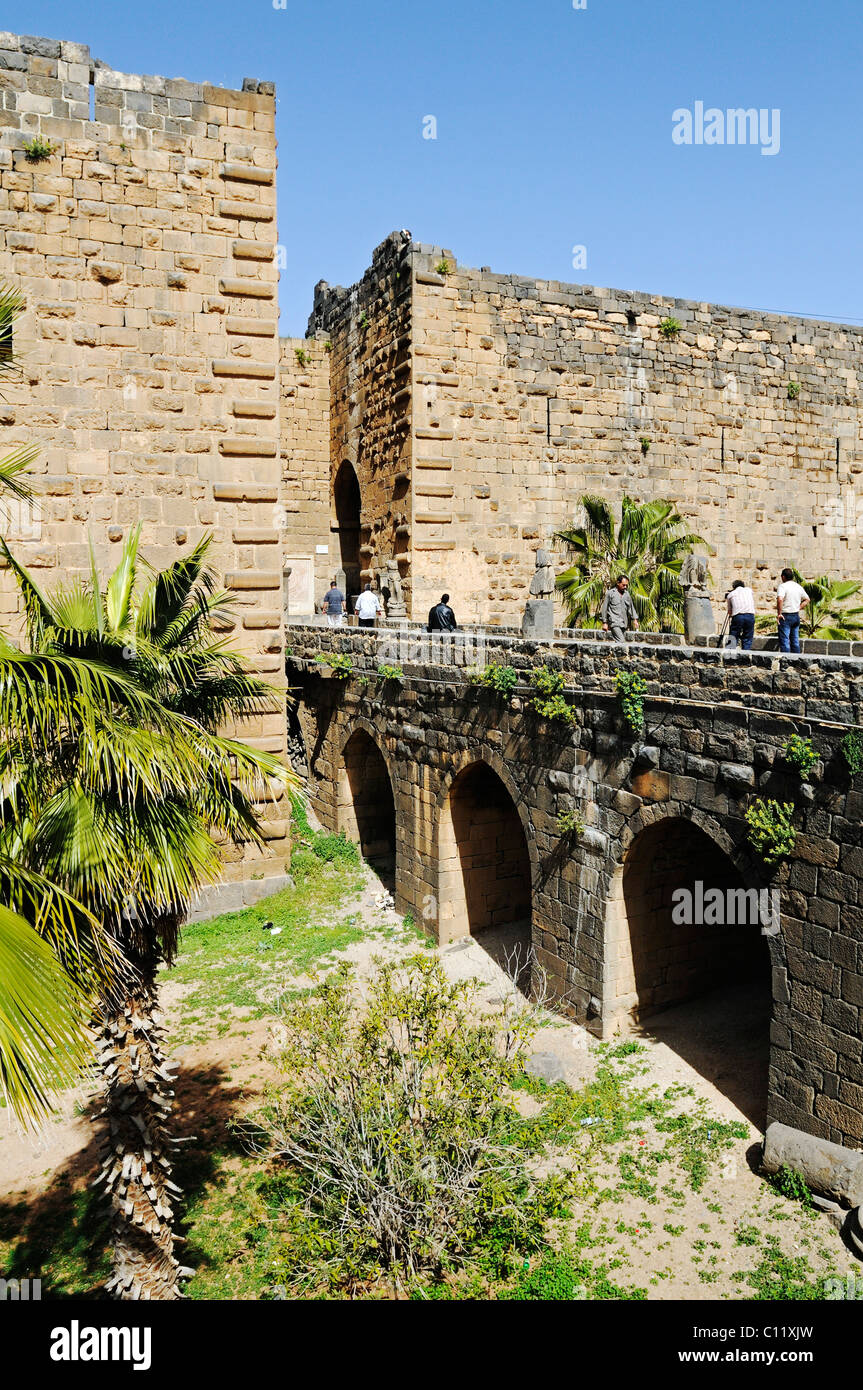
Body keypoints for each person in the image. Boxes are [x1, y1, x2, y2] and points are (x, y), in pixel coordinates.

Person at [776, 568, 809, 654]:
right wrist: (798, 608)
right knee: (795, 641)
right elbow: (807, 599)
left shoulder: (782, 586)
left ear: (783, 577)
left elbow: (780, 599)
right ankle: (796, 661)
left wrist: (779, 613)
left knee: (785, 641)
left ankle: (786, 662)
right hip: (795, 615)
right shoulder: (798, 586)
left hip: (785, 615)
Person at [600, 575, 639, 644]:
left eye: (626, 585)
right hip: (614, 622)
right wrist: (604, 622)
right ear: (618, 583)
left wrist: (635, 620)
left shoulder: (627, 594)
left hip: (624, 623)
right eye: (623, 585)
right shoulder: (610, 593)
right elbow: (604, 608)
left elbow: (631, 607)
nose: (625, 587)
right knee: (621, 641)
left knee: (619, 643)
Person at [725, 579, 756, 650]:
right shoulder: (749, 590)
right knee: (747, 637)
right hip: (750, 615)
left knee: (733, 636)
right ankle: (746, 655)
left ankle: (730, 655)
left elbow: (730, 612)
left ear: (734, 587)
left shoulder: (730, 595)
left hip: (738, 616)